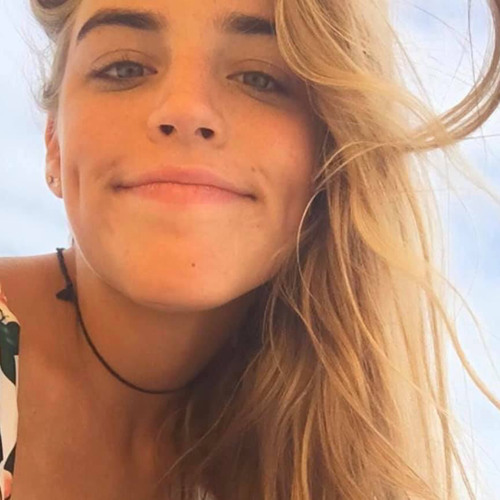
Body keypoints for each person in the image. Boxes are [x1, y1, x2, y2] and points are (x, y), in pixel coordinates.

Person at [0, 0, 499, 498]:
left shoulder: (326, 457)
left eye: (259, 78)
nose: (184, 110)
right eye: (124, 68)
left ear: (332, 152)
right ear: (54, 142)